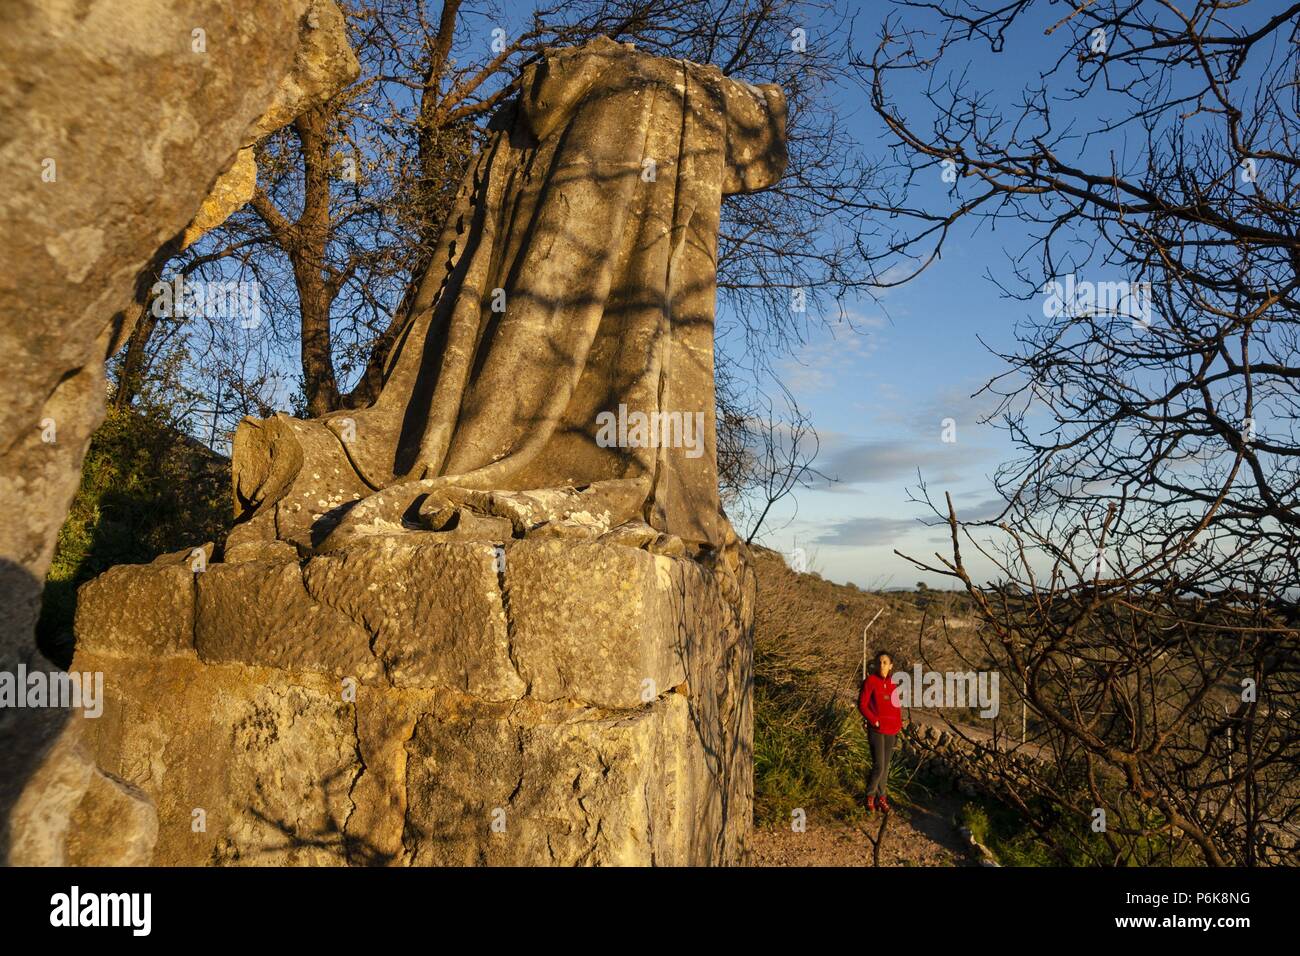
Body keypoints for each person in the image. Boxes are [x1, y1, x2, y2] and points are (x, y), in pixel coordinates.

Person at [858, 651, 902, 812]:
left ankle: (881, 798)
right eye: (879, 662)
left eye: (885, 662)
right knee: (879, 765)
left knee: (886, 766)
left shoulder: (893, 683)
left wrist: (898, 726)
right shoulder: (870, 681)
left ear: (891, 666)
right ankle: (870, 796)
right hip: (876, 730)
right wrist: (873, 720)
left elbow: (896, 707)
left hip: (891, 731)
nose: (881, 665)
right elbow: (862, 704)